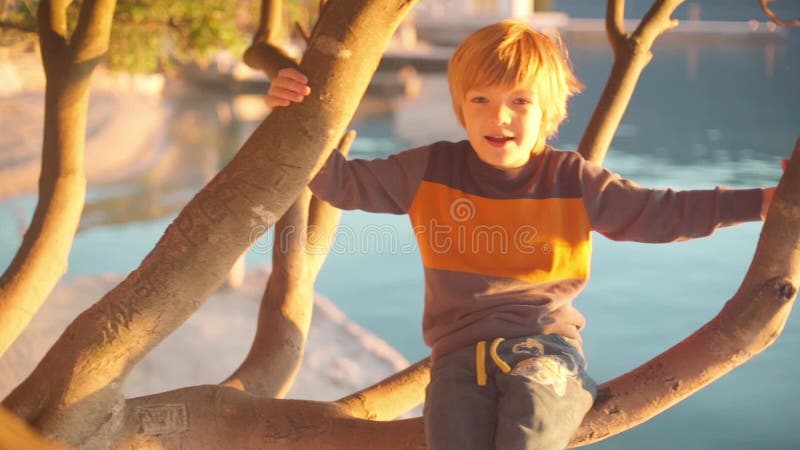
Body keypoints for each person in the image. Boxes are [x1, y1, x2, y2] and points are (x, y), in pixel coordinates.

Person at [265, 20, 775, 450]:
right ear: (461, 106)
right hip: (458, 358)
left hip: (546, 348)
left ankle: (571, 388)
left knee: (529, 420)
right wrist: (294, 113)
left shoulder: (570, 179)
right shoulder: (430, 170)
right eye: (480, 99)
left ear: (548, 112)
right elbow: (338, 181)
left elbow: (662, 213)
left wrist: (762, 203)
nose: (499, 116)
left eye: (520, 101)